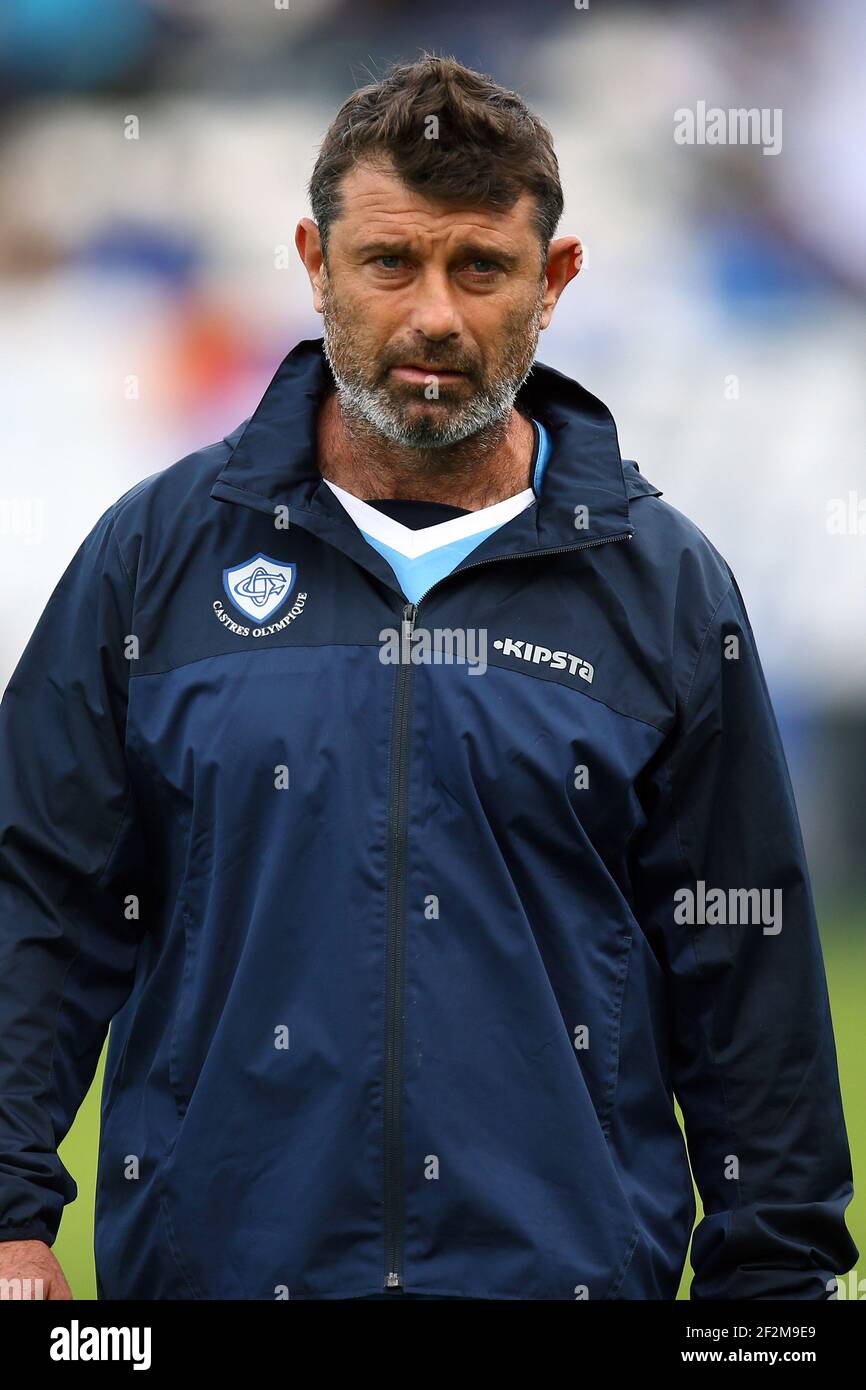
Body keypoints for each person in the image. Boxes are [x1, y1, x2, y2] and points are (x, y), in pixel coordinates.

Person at [0, 54, 857, 1302]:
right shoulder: (154, 559)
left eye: (481, 267)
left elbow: (745, 971)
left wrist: (773, 1295)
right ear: (313, 262)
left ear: (553, 280)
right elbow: (36, 903)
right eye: (389, 264)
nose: (434, 317)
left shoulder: (664, 588)